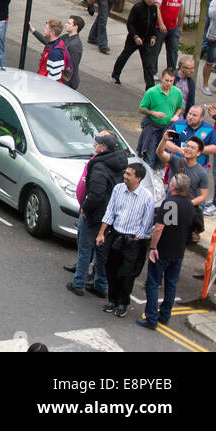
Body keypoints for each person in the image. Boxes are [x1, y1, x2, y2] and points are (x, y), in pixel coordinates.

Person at [66, 132, 126, 299]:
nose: (94, 145)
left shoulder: (100, 166)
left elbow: (97, 194)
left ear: (104, 148)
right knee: (101, 251)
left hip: (95, 214)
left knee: (85, 248)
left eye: (97, 143)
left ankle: (78, 283)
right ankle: (101, 285)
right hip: (109, 215)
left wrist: (85, 207)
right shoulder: (120, 163)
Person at [137, 173, 196, 330]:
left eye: (171, 182)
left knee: (153, 283)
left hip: (163, 250)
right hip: (178, 252)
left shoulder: (169, 203)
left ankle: (151, 318)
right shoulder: (190, 205)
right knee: (171, 284)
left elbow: (159, 228)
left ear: (174, 187)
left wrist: (153, 247)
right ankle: (164, 316)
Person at [97, 162, 156, 318]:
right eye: (125, 173)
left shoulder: (147, 198)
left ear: (139, 178)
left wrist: (137, 237)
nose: (125, 176)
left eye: (129, 174)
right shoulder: (118, 189)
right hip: (115, 236)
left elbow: (147, 222)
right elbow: (110, 211)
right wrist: (102, 232)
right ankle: (112, 300)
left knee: (127, 274)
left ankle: (123, 303)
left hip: (132, 242)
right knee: (111, 269)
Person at [112, 0, 160, 88]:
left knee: (148, 64)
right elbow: (130, 23)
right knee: (124, 56)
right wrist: (135, 36)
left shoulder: (154, 9)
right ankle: (115, 75)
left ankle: (150, 86)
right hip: (134, 38)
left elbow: (155, 25)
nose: (150, 0)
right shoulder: (137, 7)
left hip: (146, 40)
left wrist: (154, 37)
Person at [137, 69, 183, 167]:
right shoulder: (152, 92)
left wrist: (176, 115)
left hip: (168, 127)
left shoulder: (177, 92)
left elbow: (179, 108)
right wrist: (153, 113)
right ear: (161, 79)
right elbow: (141, 108)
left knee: (164, 155)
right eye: (166, 80)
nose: (169, 83)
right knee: (149, 153)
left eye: (171, 81)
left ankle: (160, 176)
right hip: (152, 126)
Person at [155, 0, 186, 73]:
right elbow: (157, 8)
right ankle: (152, 71)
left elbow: (181, 10)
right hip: (160, 27)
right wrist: (161, 24)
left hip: (173, 27)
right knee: (155, 50)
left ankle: (171, 72)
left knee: (173, 51)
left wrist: (181, 26)